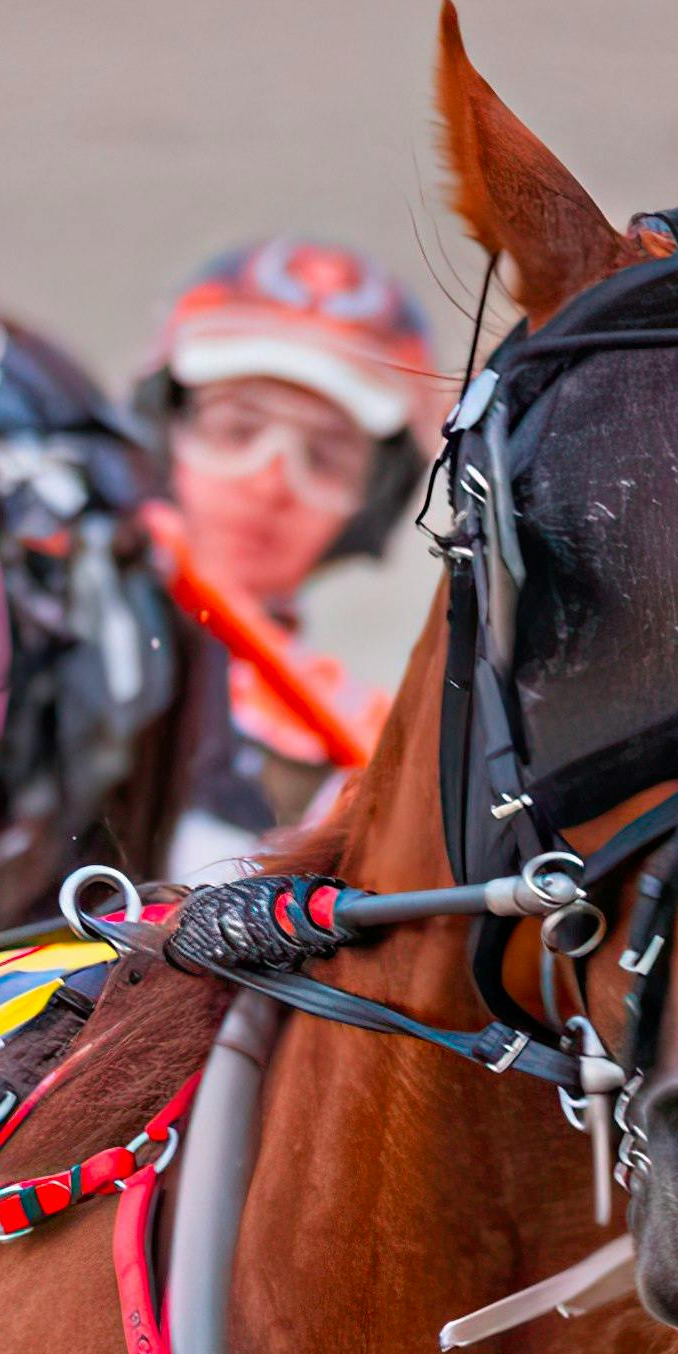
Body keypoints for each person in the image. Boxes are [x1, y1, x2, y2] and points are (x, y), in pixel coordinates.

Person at [133, 232, 444, 880]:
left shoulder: (366, 749)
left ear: (372, 502)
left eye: (325, 458)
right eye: (237, 430)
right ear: (166, 429)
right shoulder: (56, 644)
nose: (270, 481)